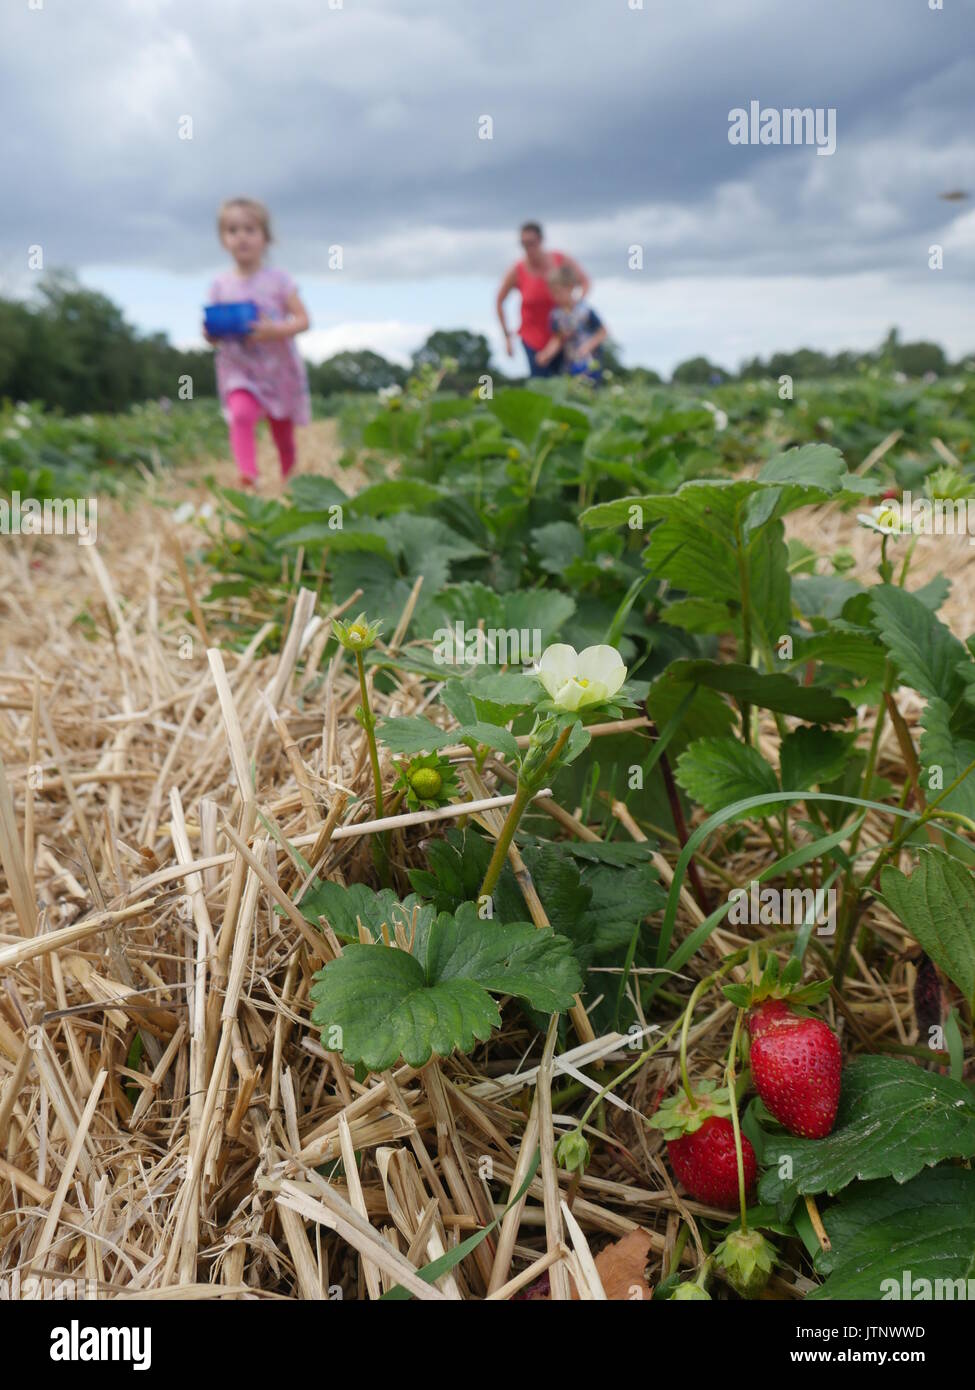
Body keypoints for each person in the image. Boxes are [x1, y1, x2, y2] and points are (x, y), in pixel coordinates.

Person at [205, 197, 311, 486]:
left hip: (277, 368)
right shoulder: (219, 285)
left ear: (266, 237)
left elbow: (304, 320)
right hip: (239, 367)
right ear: (223, 239)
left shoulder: (280, 280)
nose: (241, 236)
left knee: (282, 429)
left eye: (249, 229)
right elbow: (211, 333)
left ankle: (291, 479)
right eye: (233, 230)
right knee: (240, 413)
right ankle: (248, 476)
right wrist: (211, 333)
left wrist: (273, 330)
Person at [495, 222, 590, 378]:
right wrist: (506, 337)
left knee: (567, 382)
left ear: (541, 240)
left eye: (531, 243)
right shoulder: (517, 270)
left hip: (563, 334)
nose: (528, 248)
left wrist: (575, 308)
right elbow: (499, 301)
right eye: (523, 244)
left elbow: (585, 282)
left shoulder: (561, 260)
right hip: (532, 338)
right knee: (540, 384)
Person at [536, 264, 608, 381]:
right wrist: (546, 354)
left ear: (570, 287)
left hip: (590, 363)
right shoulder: (556, 315)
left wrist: (588, 346)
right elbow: (557, 339)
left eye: (558, 292)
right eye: (553, 293)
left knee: (589, 393)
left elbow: (603, 332)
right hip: (570, 363)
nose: (555, 296)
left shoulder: (585, 311)